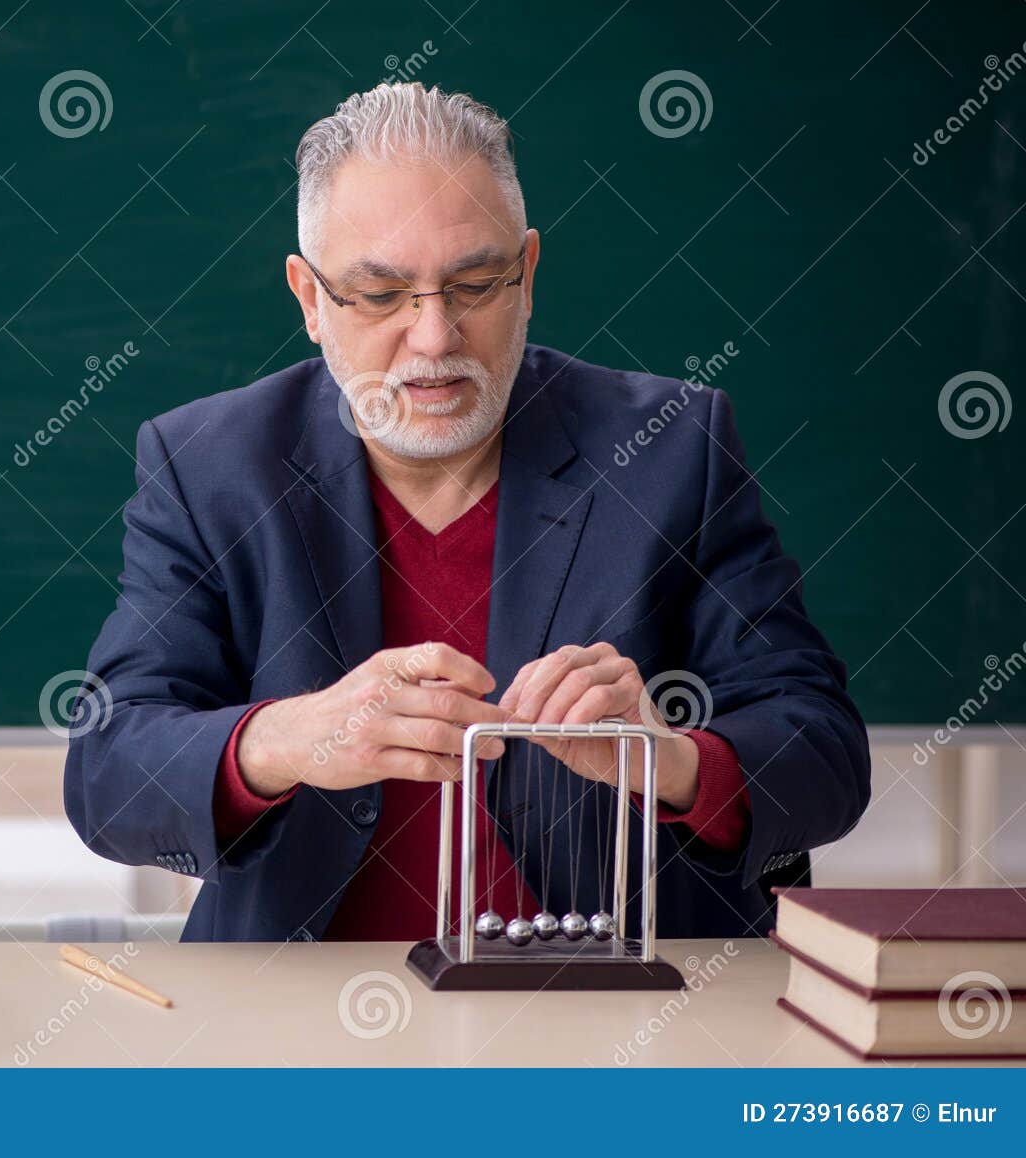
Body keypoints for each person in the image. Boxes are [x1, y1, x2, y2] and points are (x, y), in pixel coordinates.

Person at [63, 82, 870, 941]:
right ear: (308, 299)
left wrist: (664, 757)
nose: (435, 338)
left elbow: (822, 753)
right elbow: (108, 773)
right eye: (379, 295)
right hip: (298, 1021)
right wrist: (288, 739)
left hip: (620, 1013)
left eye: (475, 284)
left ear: (526, 275)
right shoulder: (209, 466)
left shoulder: (673, 449)